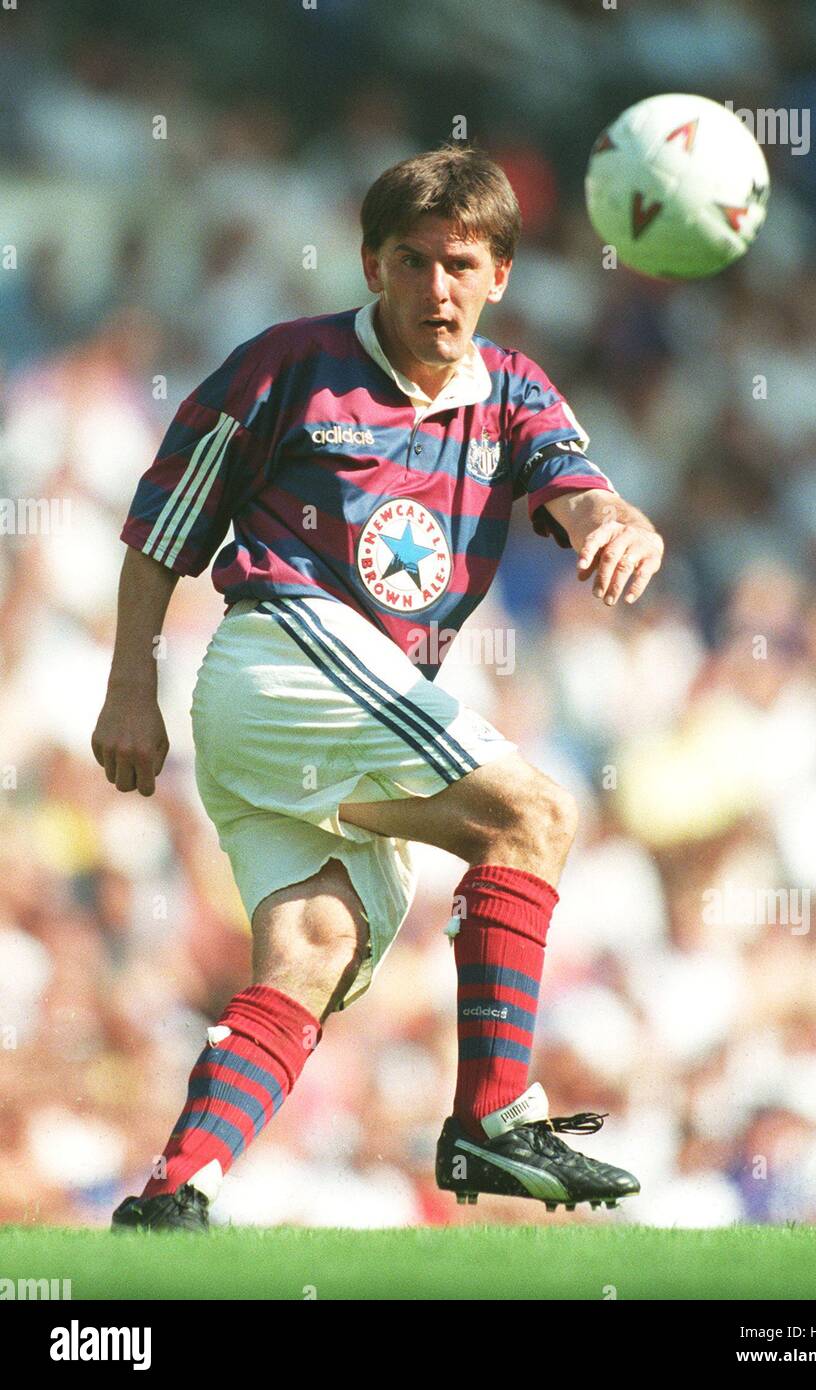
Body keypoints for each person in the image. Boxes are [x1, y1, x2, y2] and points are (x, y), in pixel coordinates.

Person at [92, 145, 663, 1231]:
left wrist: (614, 523)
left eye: (460, 265)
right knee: (536, 813)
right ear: (371, 264)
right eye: (412, 262)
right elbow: (163, 527)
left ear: (500, 274)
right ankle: (494, 1119)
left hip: (344, 720)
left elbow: (576, 489)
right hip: (284, 653)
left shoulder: (516, 393)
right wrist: (129, 688)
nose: (436, 289)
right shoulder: (288, 366)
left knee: (317, 947)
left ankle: (174, 1195)